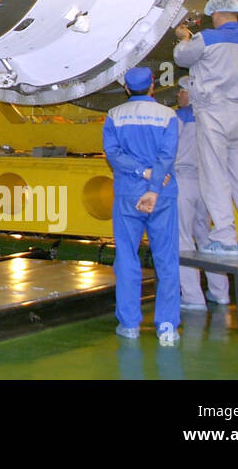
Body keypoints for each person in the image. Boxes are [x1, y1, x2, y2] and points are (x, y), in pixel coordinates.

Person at [173, 0, 238, 255]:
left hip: (213, 113)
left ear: (217, 14)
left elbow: (182, 58)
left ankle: (224, 237)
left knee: (214, 174)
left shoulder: (208, 39)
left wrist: (184, 38)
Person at [103, 66, 181, 345]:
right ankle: (168, 326)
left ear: (126, 88)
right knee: (167, 260)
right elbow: (167, 155)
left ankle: (129, 325)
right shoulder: (168, 116)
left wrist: (140, 173)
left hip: (127, 195)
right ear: (152, 86)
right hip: (162, 195)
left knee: (126, 257)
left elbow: (113, 154)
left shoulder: (114, 116)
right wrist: (154, 184)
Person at [173, 77, 230, 309]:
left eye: (182, 91)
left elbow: (167, 149)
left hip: (183, 181)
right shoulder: (217, 118)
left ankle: (192, 297)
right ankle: (220, 292)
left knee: (183, 238)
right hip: (208, 184)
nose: (178, 95)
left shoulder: (179, 117)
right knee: (206, 238)